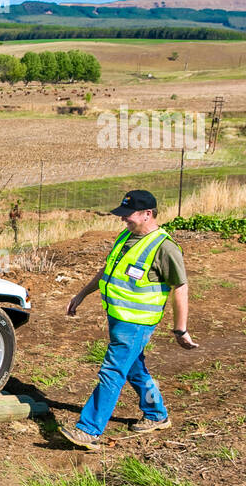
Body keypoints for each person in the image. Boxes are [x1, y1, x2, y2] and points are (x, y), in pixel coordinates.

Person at [60, 189, 198, 451]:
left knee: (112, 371)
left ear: (148, 214)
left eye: (128, 215)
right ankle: (156, 414)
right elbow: (108, 271)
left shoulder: (165, 248)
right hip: (118, 319)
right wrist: (82, 294)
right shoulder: (127, 236)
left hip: (137, 323)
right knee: (134, 368)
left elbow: (180, 287)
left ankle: (89, 430)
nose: (124, 220)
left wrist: (181, 329)